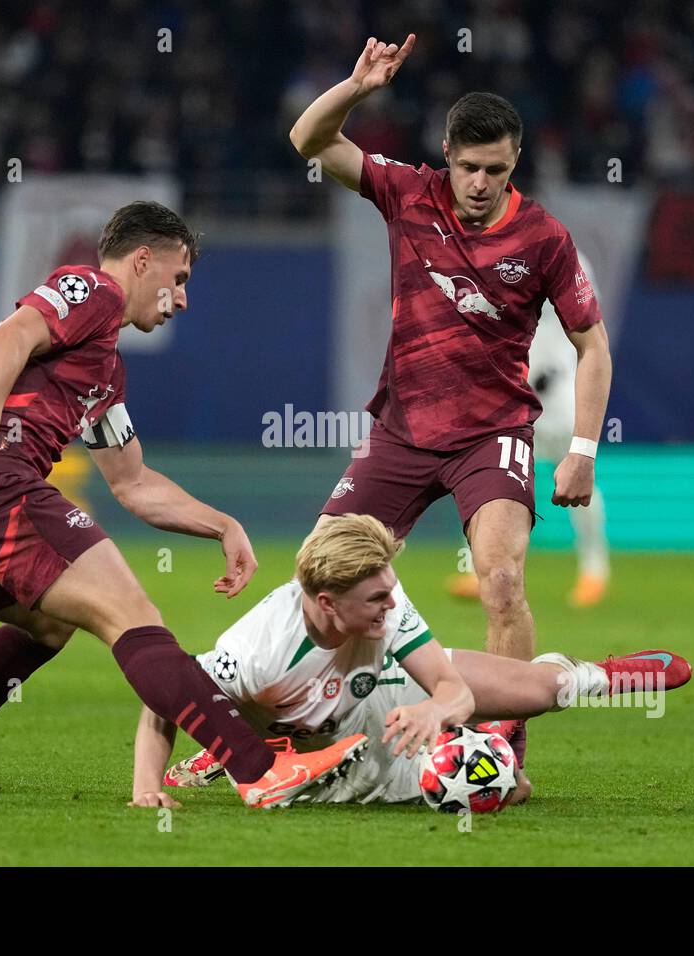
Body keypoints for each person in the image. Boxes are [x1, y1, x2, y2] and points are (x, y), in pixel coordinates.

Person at [0, 202, 366, 808]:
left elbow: (132, 483)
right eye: (178, 280)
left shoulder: (104, 368)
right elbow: (8, 337)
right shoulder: (94, 291)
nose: (181, 299)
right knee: (134, 617)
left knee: (48, 627)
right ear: (141, 261)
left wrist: (223, 525)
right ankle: (258, 769)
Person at [288, 36, 613, 790]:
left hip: (491, 435)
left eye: (496, 170)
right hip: (401, 431)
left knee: (500, 582)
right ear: (446, 154)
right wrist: (357, 86)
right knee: (321, 582)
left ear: (515, 163)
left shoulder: (544, 240)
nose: (478, 183)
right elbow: (307, 139)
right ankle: (301, 731)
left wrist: (584, 450)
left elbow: (592, 348)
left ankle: (503, 754)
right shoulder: (407, 192)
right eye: (468, 167)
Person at [132, 516, 689, 807]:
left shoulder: (383, 604)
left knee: (544, 692)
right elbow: (163, 697)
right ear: (327, 602)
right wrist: (144, 786)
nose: (392, 604)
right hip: (337, 747)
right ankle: (229, 748)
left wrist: (438, 711)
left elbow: (452, 688)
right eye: (376, 598)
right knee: (511, 788)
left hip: (390, 688)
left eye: (390, 590)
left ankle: (588, 677)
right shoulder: (258, 650)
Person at [449, 254, 611, 608]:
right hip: (508, 392)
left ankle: (594, 571)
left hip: (556, 394)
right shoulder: (484, 258)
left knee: (574, 479)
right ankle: (481, 570)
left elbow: (588, 326)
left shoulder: (564, 257)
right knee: (490, 476)